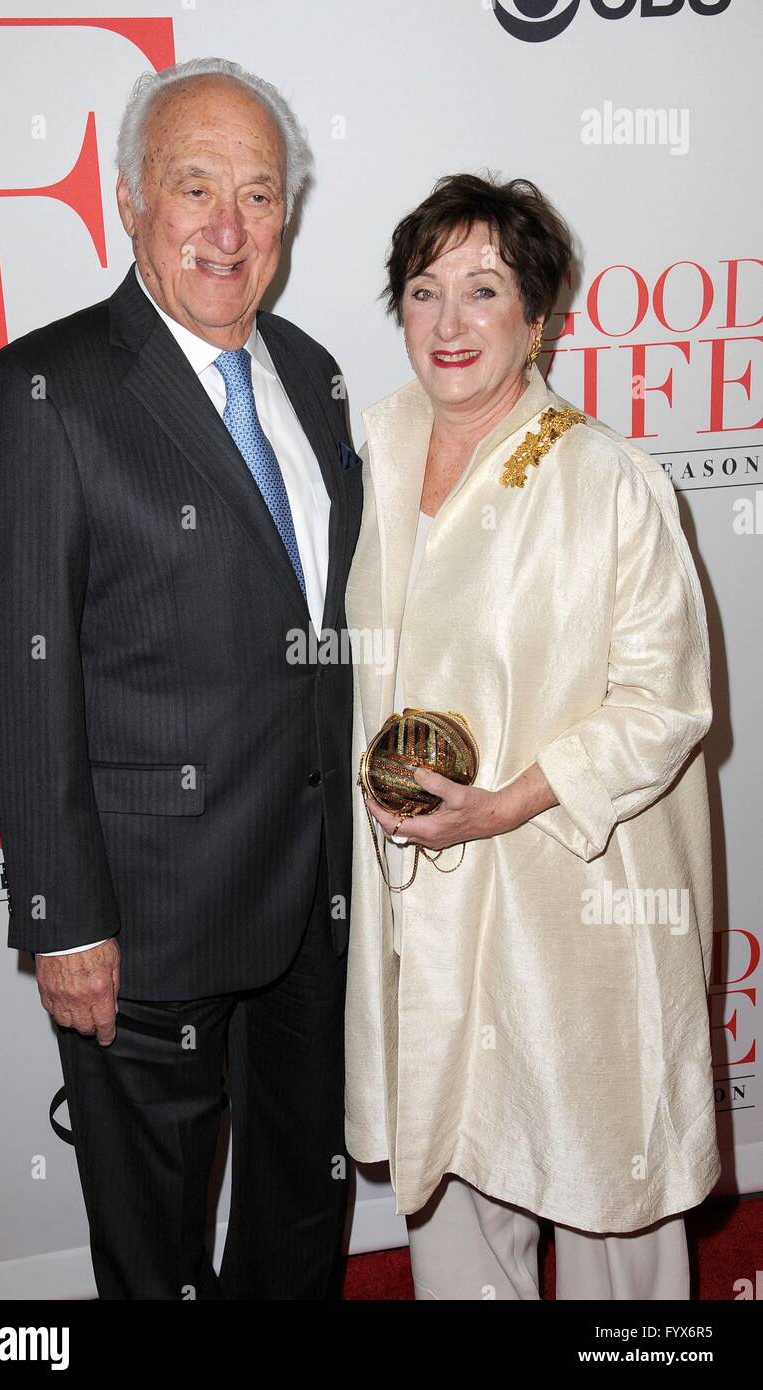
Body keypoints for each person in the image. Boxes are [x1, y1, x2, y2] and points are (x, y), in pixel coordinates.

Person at [0, 57, 362, 1300]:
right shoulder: (45, 390)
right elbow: (20, 672)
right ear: (131, 200)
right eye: (195, 188)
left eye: (256, 193)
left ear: (286, 217)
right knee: (154, 1249)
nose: (227, 228)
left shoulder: (309, 369)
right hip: (144, 920)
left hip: (315, 896)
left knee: (302, 1201)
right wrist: (65, 918)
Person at [344, 173, 720, 1300]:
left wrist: (505, 802)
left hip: (571, 899)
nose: (449, 322)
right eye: (423, 290)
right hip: (422, 890)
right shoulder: (372, 460)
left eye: (482, 289)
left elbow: (665, 701)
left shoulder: (606, 478)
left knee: (604, 1186)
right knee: (455, 1182)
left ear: (537, 316)